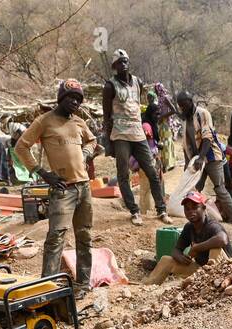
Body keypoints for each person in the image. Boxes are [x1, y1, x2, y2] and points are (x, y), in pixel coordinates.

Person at [15, 79, 101, 297]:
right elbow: (21, 147)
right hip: (63, 190)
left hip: (83, 187)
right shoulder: (44, 121)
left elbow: (92, 141)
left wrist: (87, 153)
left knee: (85, 237)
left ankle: (83, 285)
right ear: (60, 98)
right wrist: (43, 173)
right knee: (56, 238)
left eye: (78, 99)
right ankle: (47, 289)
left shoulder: (79, 122)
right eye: (71, 97)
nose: (75, 102)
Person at [102, 50, 169, 227]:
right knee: (123, 175)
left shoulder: (137, 82)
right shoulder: (110, 86)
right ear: (114, 66)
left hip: (138, 133)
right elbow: (106, 115)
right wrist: (108, 142)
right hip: (120, 134)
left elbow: (136, 105)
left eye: (125, 61)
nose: (123, 64)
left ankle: (161, 209)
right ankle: (134, 211)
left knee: (152, 171)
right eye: (119, 62)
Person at [145, 192, 232, 284]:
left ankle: (214, 285)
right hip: (202, 270)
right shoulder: (189, 227)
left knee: (215, 249)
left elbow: (222, 239)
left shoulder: (212, 225)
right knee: (166, 260)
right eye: (187, 209)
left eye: (195, 207)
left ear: (204, 208)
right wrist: (180, 257)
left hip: (223, 271)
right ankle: (147, 286)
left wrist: (197, 247)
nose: (191, 211)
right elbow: (176, 250)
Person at [177, 91, 232, 222]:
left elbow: (207, 138)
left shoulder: (202, 113)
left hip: (211, 157)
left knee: (220, 188)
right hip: (197, 159)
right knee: (194, 188)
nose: (182, 108)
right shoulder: (186, 120)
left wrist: (201, 157)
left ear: (190, 102)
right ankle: (198, 217)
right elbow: (186, 145)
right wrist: (189, 163)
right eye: (180, 106)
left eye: (184, 105)